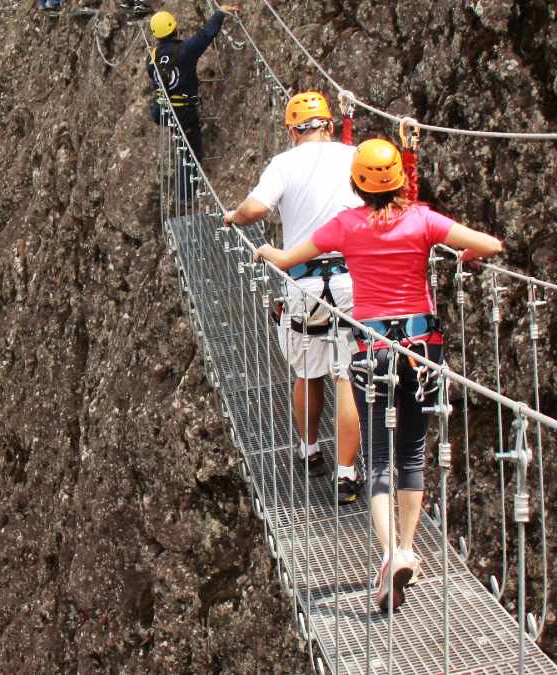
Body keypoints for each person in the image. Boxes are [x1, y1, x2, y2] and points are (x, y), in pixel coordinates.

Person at [252, 139, 503, 611]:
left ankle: (389, 554)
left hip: (373, 350)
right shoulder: (424, 221)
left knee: (378, 458)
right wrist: (464, 256)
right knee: (412, 453)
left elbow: (287, 260)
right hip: (421, 352)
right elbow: (490, 244)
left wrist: (265, 248)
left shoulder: (346, 225)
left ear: (357, 185)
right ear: (400, 182)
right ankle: (407, 547)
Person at [224, 92, 363, 505]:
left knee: (308, 371)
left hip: (302, 282)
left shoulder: (284, 164)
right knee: (346, 375)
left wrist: (233, 216)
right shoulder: (354, 156)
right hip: (351, 280)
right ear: (329, 125)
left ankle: (308, 449)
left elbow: (255, 208)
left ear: (292, 131)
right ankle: (345, 473)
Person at [147, 5, 239, 200]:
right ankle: (186, 197)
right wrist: (220, 12)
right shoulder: (184, 51)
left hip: (163, 110)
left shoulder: (152, 56)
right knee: (191, 153)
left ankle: (185, 195)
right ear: (174, 28)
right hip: (183, 112)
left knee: (184, 149)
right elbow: (206, 35)